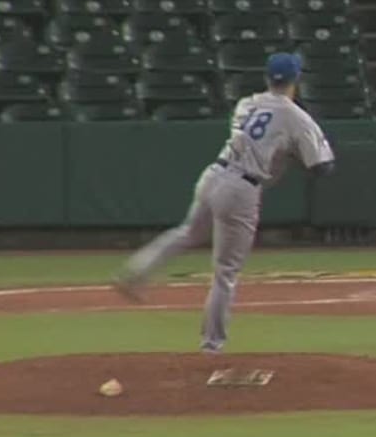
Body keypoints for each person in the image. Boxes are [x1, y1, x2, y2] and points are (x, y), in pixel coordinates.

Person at [114, 53, 336, 352]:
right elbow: (322, 167)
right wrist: (294, 153)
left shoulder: (248, 102)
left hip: (215, 174)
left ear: (269, 78)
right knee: (225, 271)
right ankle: (212, 345)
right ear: (296, 80)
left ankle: (136, 272)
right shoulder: (297, 117)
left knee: (187, 233)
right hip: (241, 189)